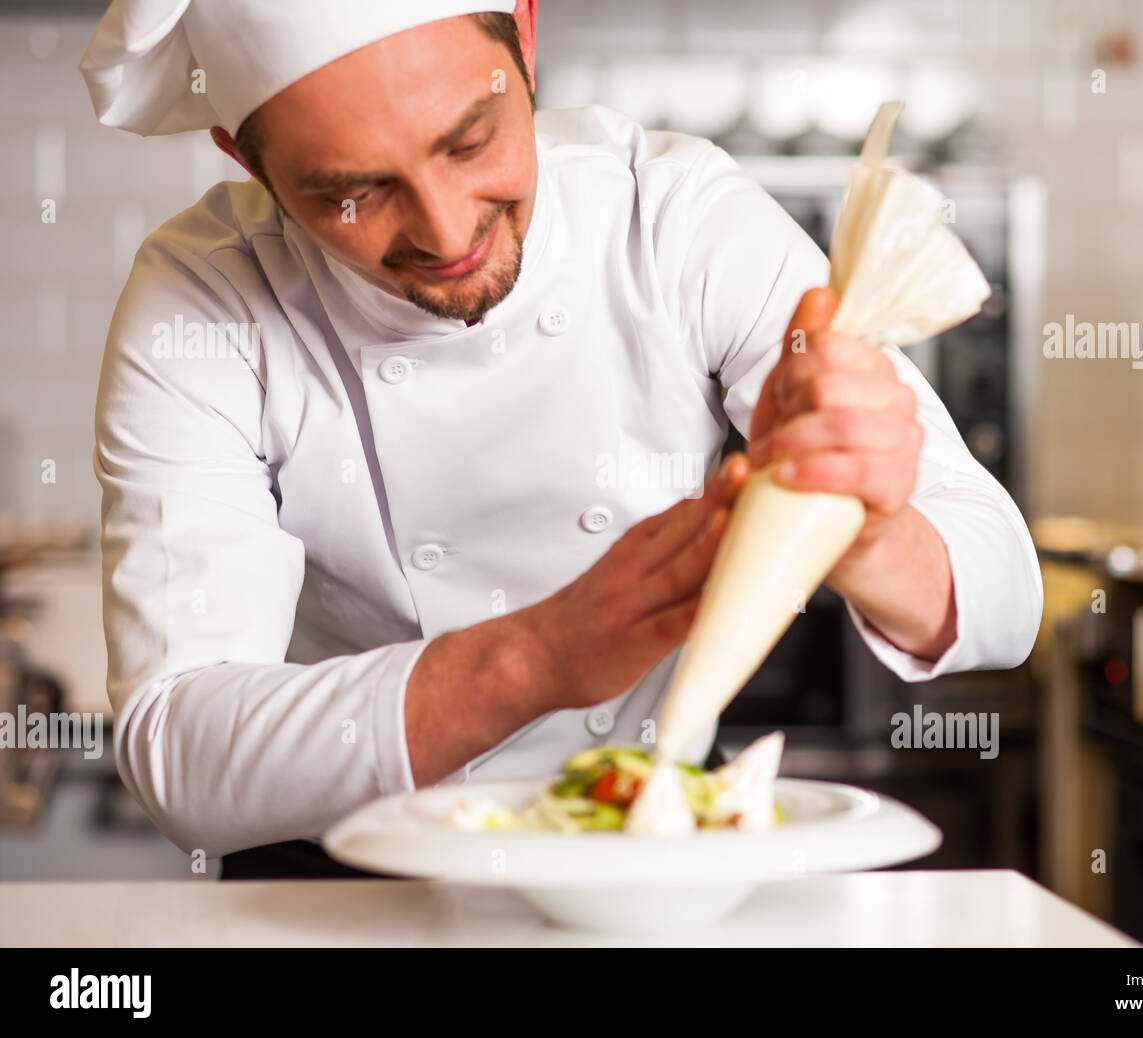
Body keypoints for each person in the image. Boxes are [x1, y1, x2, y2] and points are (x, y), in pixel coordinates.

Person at [79, 0, 1043, 878]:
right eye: (355, 192)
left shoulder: (669, 218)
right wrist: (535, 658)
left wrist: (862, 525)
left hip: (656, 847)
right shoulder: (202, 301)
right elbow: (179, 751)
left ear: (526, 37)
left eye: (470, 142)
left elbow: (1001, 593)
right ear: (245, 159)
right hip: (342, 883)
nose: (446, 229)